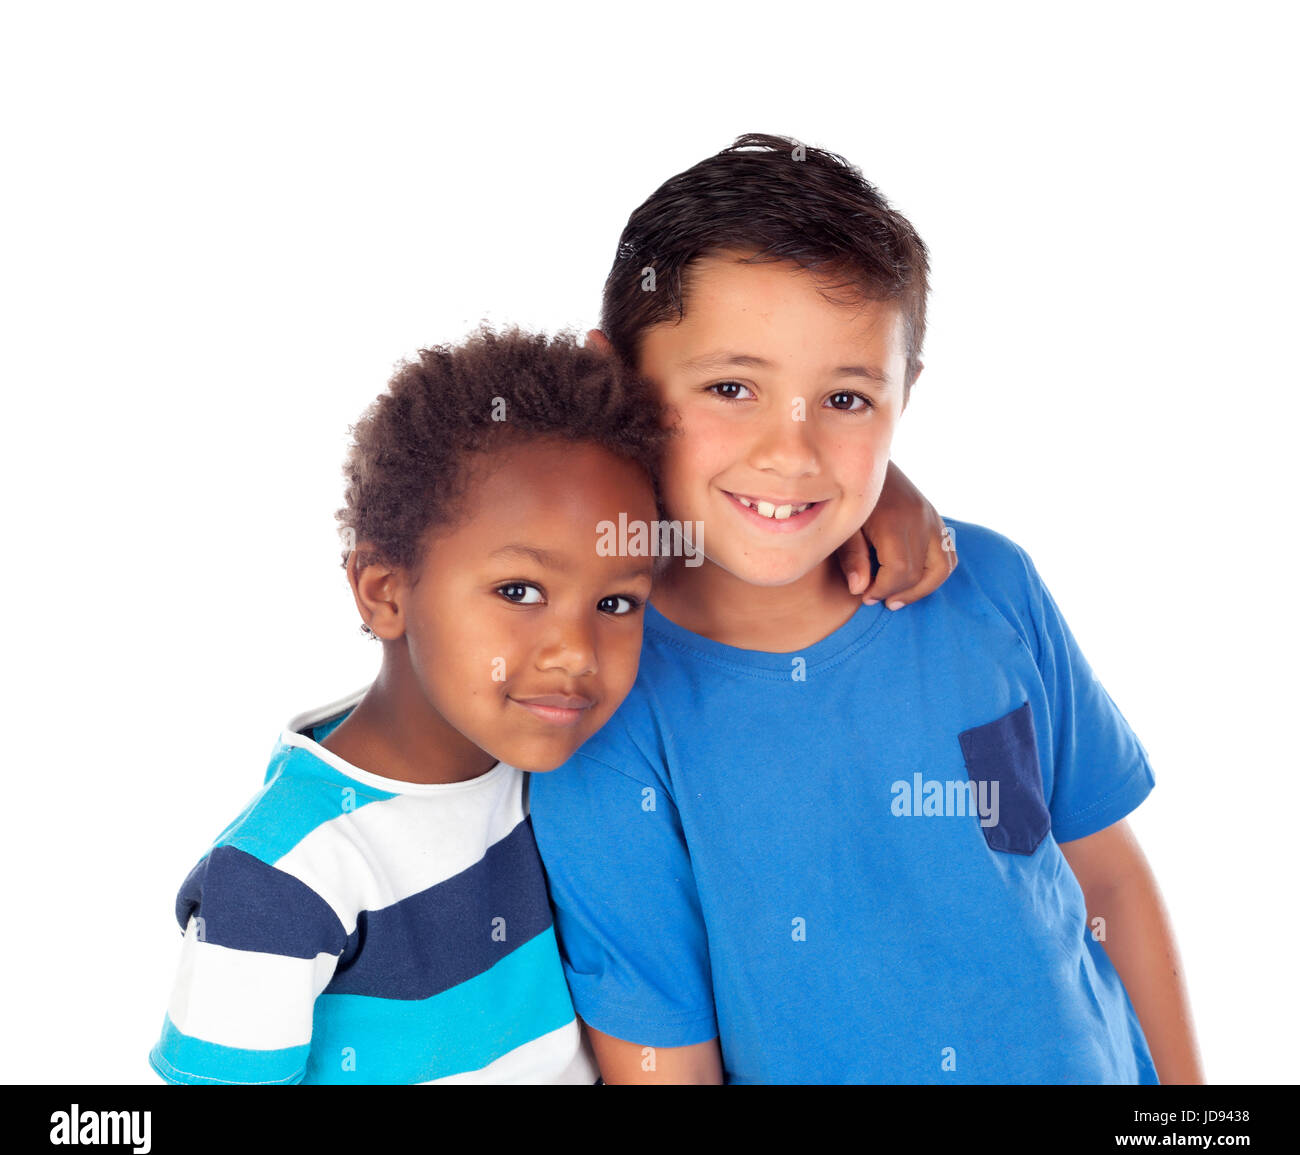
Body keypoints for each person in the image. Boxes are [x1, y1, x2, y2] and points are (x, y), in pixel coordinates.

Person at [529, 134, 1204, 1084]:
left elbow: (1109, 881)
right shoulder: (607, 712)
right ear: (616, 379)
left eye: (845, 398)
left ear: (905, 394)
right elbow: (663, 1058)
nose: (792, 452)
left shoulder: (989, 587)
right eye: (732, 387)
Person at [148, 327, 669, 1083]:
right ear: (385, 591)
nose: (577, 653)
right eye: (519, 591)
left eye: (618, 600)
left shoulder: (562, 778)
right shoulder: (284, 876)